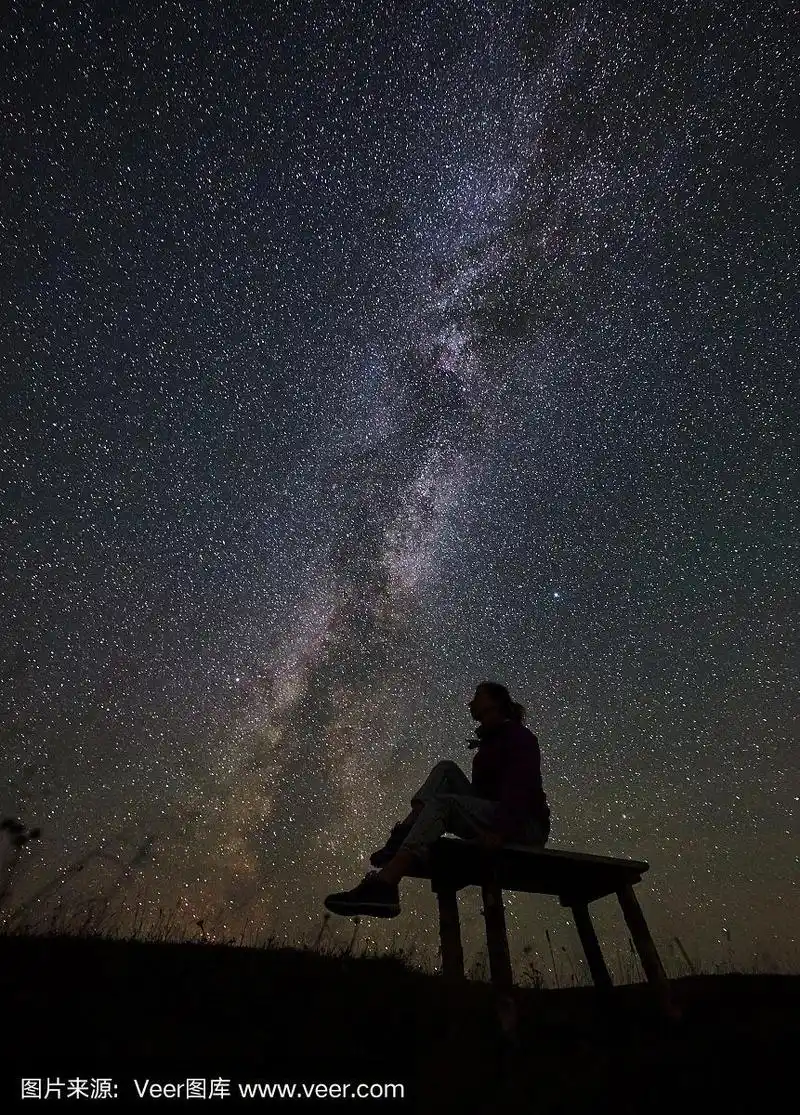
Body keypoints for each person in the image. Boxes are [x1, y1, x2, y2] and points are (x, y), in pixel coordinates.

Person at [324, 681, 550, 918]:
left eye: (477, 696)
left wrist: (501, 832)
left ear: (495, 702)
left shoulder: (519, 736)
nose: (470, 702)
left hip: (525, 826)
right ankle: (404, 834)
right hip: (499, 816)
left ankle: (385, 884)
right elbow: (485, 798)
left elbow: (521, 787)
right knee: (446, 769)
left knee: (445, 803)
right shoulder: (491, 743)